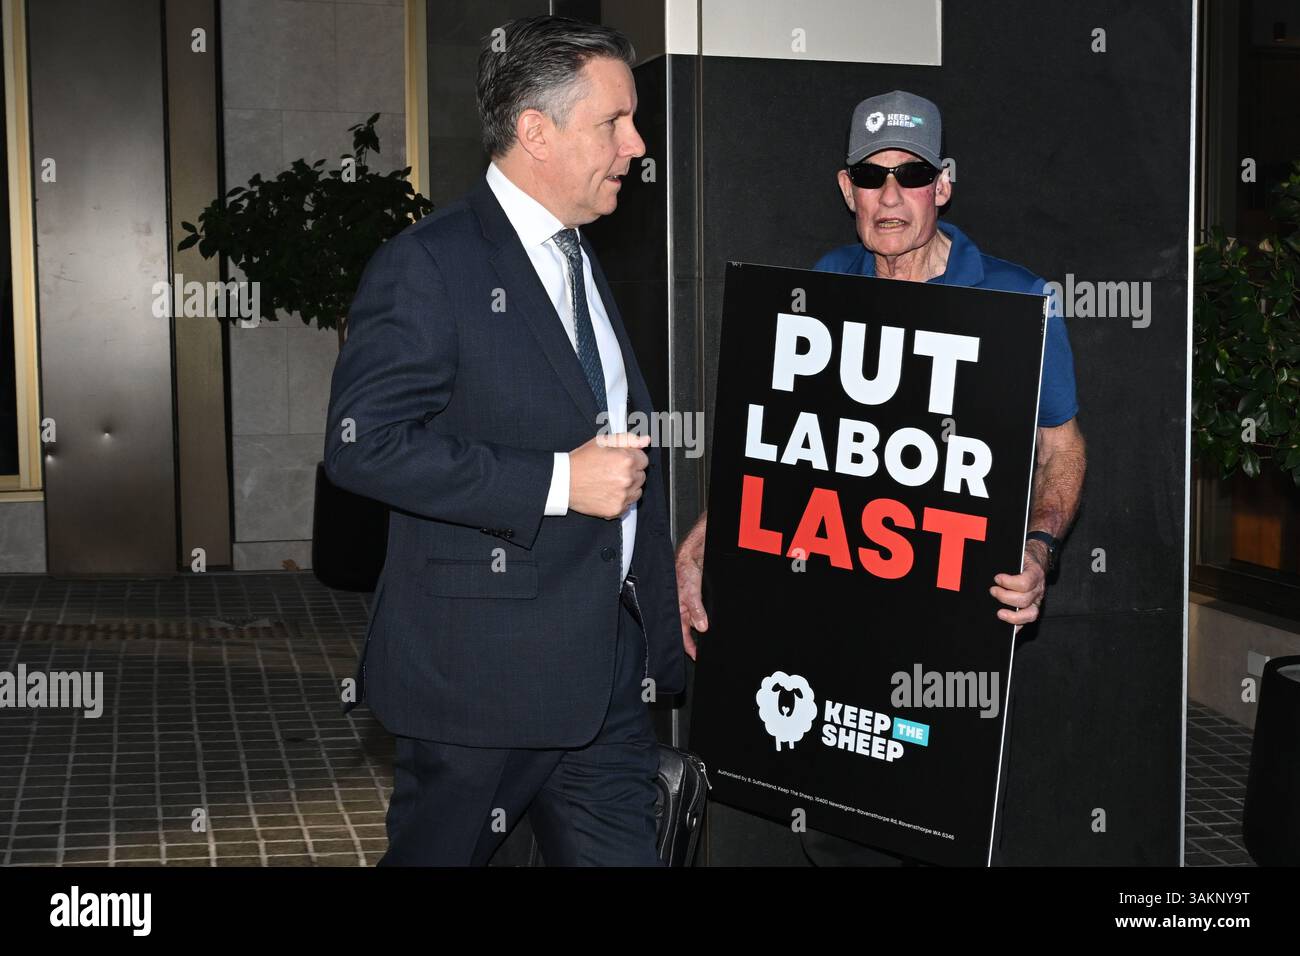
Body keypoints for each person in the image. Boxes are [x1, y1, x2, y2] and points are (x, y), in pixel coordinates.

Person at [674, 90, 1087, 866]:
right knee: (836, 837)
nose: (890, 196)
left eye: (912, 175)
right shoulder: (826, 280)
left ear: (945, 185)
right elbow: (778, 445)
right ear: (846, 189)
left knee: (939, 826)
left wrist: (1038, 549)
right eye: (872, 177)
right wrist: (706, 538)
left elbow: (1061, 446)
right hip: (842, 631)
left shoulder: (1017, 297)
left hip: (955, 635)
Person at [324, 16, 684, 866]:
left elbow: (617, 449)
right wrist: (557, 483)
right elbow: (362, 443)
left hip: (605, 676)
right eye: (614, 122)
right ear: (535, 131)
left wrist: (661, 587)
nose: (636, 144)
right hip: (479, 685)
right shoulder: (428, 265)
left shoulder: (579, 253)